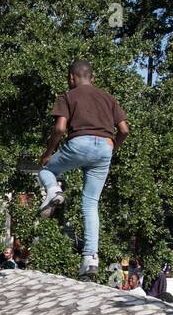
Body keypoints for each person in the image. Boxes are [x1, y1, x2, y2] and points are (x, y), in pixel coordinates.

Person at [36, 60, 129, 279]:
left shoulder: (67, 96)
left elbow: (59, 128)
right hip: (105, 148)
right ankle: (90, 259)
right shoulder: (109, 98)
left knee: (45, 171)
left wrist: (49, 152)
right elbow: (124, 129)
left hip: (79, 144)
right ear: (93, 78)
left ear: (71, 78)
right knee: (90, 204)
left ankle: (54, 191)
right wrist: (112, 147)